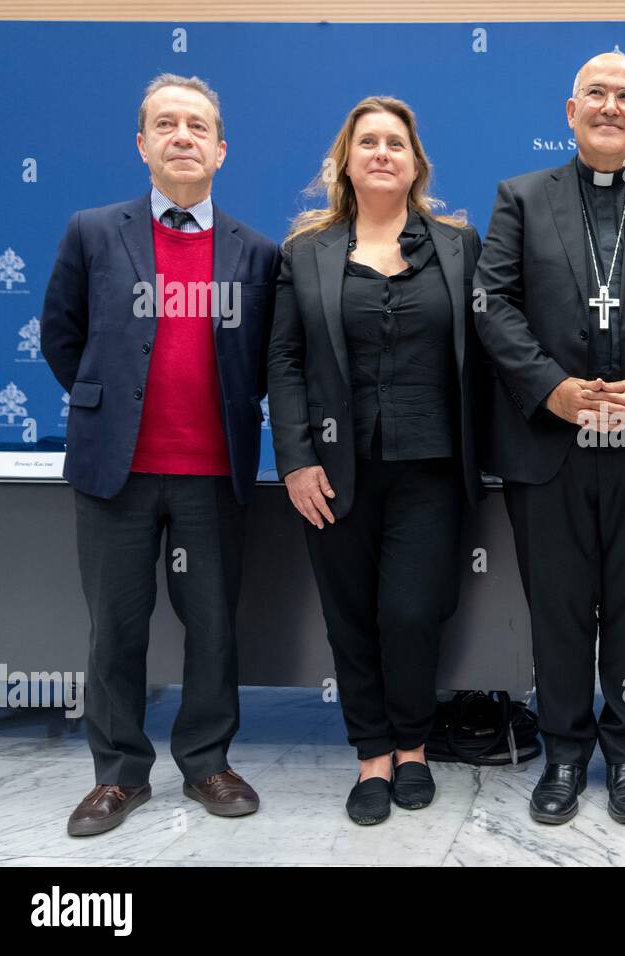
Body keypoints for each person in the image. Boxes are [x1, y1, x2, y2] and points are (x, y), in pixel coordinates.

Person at [474, 51, 625, 825]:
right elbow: (492, 302)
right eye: (596, 95)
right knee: (556, 613)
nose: (610, 107)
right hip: (548, 450)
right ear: (570, 111)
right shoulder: (519, 198)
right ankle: (563, 755)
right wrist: (552, 388)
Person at [41, 74, 279, 836]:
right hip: (117, 472)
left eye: (198, 126)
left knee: (213, 625)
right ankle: (118, 775)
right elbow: (61, 335)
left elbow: (267, 360)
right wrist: (105, 407)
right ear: (142, 144)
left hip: (214, 473)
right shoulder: (92, 230)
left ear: (221, 150)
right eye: (166, 124)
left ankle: (207, 762)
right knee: (116, 627)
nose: (183, 136)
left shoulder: (257, 252)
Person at [267, 96, 485, 826]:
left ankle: (414, 746)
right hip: (333, 472)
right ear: (346, 161)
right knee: (351, 617)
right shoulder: (305, 252)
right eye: (369, 142)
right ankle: (371, 757)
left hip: (432, 468)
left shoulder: (459, 245)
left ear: (417, 162)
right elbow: (285, 361)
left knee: (411, 612)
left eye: (397, 141)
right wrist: (295, 460)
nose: (383, 152)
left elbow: (486, 354)